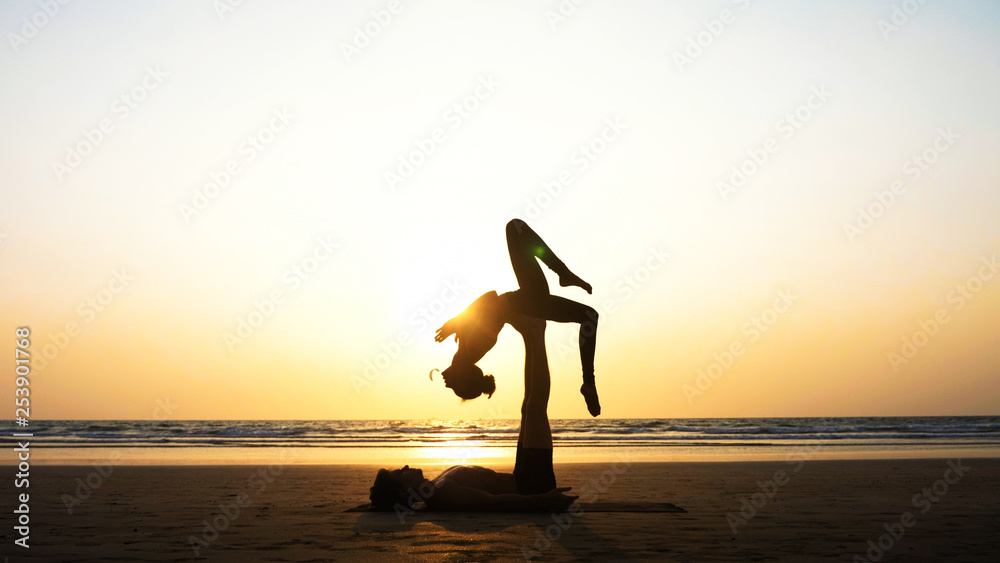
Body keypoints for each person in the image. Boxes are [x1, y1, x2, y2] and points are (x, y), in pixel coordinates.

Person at [370, 313, 576, 511]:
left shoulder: (436, 486)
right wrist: (543, 500)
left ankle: (531, 336)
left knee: (528, 408)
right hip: (533, 486)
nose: (405, 467)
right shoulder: (443, 494)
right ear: (404, 492)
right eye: (399, 474)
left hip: (523, 476)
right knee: (535, 407)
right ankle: (536, 333)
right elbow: (493, 502)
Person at [433, 219, 601, 416]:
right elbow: (490, 298)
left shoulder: (465, 350)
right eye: (455, 388)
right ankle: (588, 382)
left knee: (589, 316)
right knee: (515, 229)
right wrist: (457, 321)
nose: (447, 385)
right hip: (528, 301)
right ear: (464, 375)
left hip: (528, 300)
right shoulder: (474, 347)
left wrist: (460, 322)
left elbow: (487, 306)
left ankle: (589, 383)